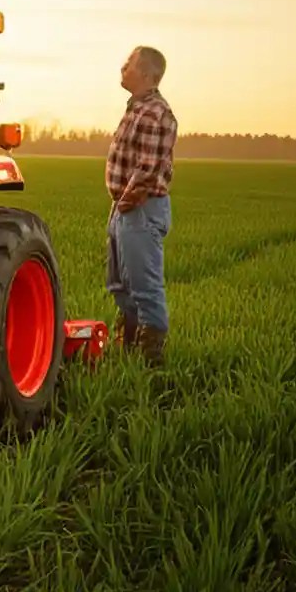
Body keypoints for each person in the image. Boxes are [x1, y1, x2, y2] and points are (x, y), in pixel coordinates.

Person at [105, 46, 177, 367]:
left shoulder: (154, 113)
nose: (123, 67)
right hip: (124, 206)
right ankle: (129, 347)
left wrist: (127, 203)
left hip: (140, 207)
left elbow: (147, 170)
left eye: (129, 63)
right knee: (121, 283)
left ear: (147, 74)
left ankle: (152, 361)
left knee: (145, 286)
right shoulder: (136, 109)